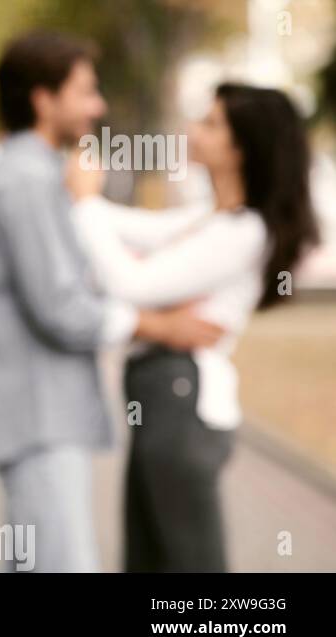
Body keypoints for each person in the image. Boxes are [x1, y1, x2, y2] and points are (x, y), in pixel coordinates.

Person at [0, 31, 224, 572]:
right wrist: (158, 326)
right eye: (85, 91)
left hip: (42, 415)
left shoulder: (41, 175)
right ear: (43, 99)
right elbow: (59, 307)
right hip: (40, 419)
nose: (98, 106)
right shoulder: (27, 181)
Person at [67, 83, 321, 571]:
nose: (192, 131)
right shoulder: (212, 219)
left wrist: (83, 203)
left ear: (241, 148)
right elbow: (131, 228)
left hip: (180, 398)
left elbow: (132, 282)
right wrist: (86, 197)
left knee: (192, 568)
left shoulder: (243, 232)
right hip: (162, 397)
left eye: (210, 124)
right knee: (151, 557)